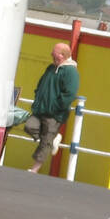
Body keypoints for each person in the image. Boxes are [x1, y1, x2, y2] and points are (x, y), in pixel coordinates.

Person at [24, 41, 80, 173]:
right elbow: (41, 84)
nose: (51, 55)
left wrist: (55, 107)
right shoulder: (50, 68)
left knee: (45, 141)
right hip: (40, 110)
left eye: (54, 53)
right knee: (29, 126)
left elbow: (70, 93)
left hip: (55, 114)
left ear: (62, 56)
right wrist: (38, 97)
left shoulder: (71, 72)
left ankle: (35, 169)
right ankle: (52, 139)